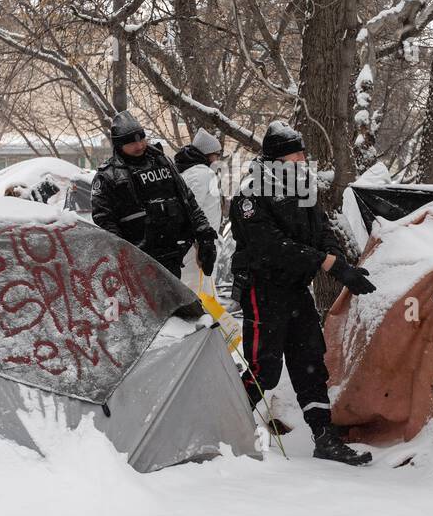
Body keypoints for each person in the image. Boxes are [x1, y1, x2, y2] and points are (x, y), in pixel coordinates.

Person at [229, 120, 377, 466]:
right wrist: (326, 263)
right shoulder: (251, 194)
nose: (303, 157)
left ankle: (325, 437)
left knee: (310, 362)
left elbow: (320, 228)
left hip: (297, 290)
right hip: (263, 289)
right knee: (263, 368)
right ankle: (222, 427)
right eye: (297, 153)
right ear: (280, 158)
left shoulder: (300, 187)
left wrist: (338, 261)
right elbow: (270, 247)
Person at [91, 111, 216, 278]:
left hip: (173, 255)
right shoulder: (108, 176)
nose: (139, 146)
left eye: (141, 139)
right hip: (138, 262)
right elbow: (104, 221)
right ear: (119, 145)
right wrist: (123, 254)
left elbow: (187, 200)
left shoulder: (162, 162)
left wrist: (204, 234)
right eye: (131, 142)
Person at [174, 128, 223, 288]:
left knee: (199, 288)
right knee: (197, 289)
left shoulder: (193, 172)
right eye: (217, 154)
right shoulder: (202, 174)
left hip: (198, 244)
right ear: (208, 154)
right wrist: (200, 242)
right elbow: (191, 211)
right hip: (197, 248)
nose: (218, 159)